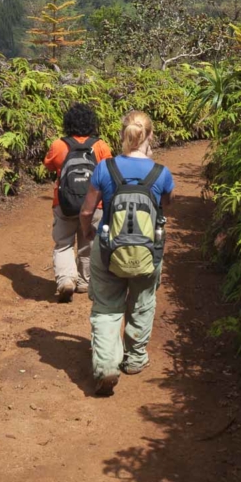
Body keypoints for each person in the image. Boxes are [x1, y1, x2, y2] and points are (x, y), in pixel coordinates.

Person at [79, 110, 174, 396]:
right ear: (150, 135)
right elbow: (166, 205)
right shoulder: (161, 173)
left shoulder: (105, 168)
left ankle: (108, 365)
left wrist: (88, 233)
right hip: (148, 251)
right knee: (142, 303)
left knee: (107, 307)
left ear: (123, 135)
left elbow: (86, 210)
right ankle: (134, 360)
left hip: (108, 248)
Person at [43, 103, 112, 303]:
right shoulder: (100, 145)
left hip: (64, 203)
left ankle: (66, 280)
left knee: (63, 243)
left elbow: (48, 165)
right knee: (88, 242)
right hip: (94, 204)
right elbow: (108, 172)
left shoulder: (59, 145)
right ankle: (84, 281)